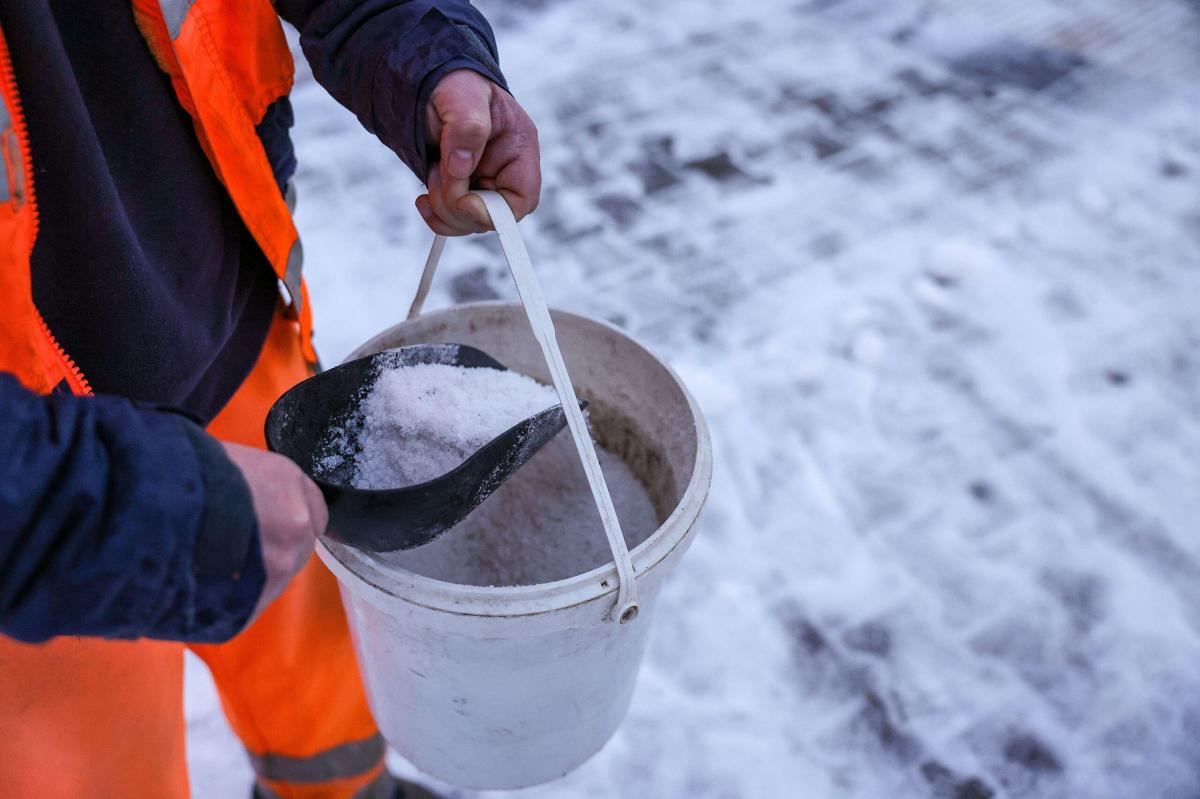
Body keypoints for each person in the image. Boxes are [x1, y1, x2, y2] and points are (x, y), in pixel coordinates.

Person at [0, 1, 540, 797]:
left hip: (235, 316)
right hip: (42, 481)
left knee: (323, 664)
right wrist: (111, 508)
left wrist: (426, 52)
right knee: (98, 768)